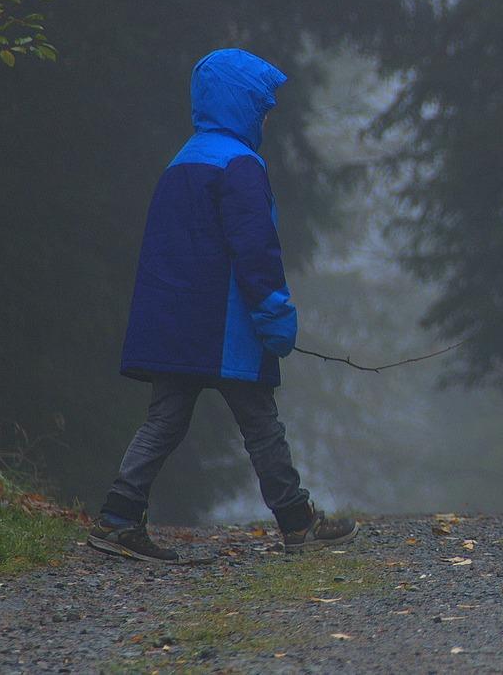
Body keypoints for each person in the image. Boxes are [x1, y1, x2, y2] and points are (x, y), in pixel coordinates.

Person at [88, 48, 357, 562]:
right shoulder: (240, 165)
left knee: (164, 422)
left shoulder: (180, 161)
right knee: (261, 425)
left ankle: (118, 519)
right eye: (262, 107)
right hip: (226, 326)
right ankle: (298, 524)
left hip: (175, 323)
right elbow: (256, 250)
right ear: (242, 104)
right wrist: (275, 315)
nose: (266, 117)